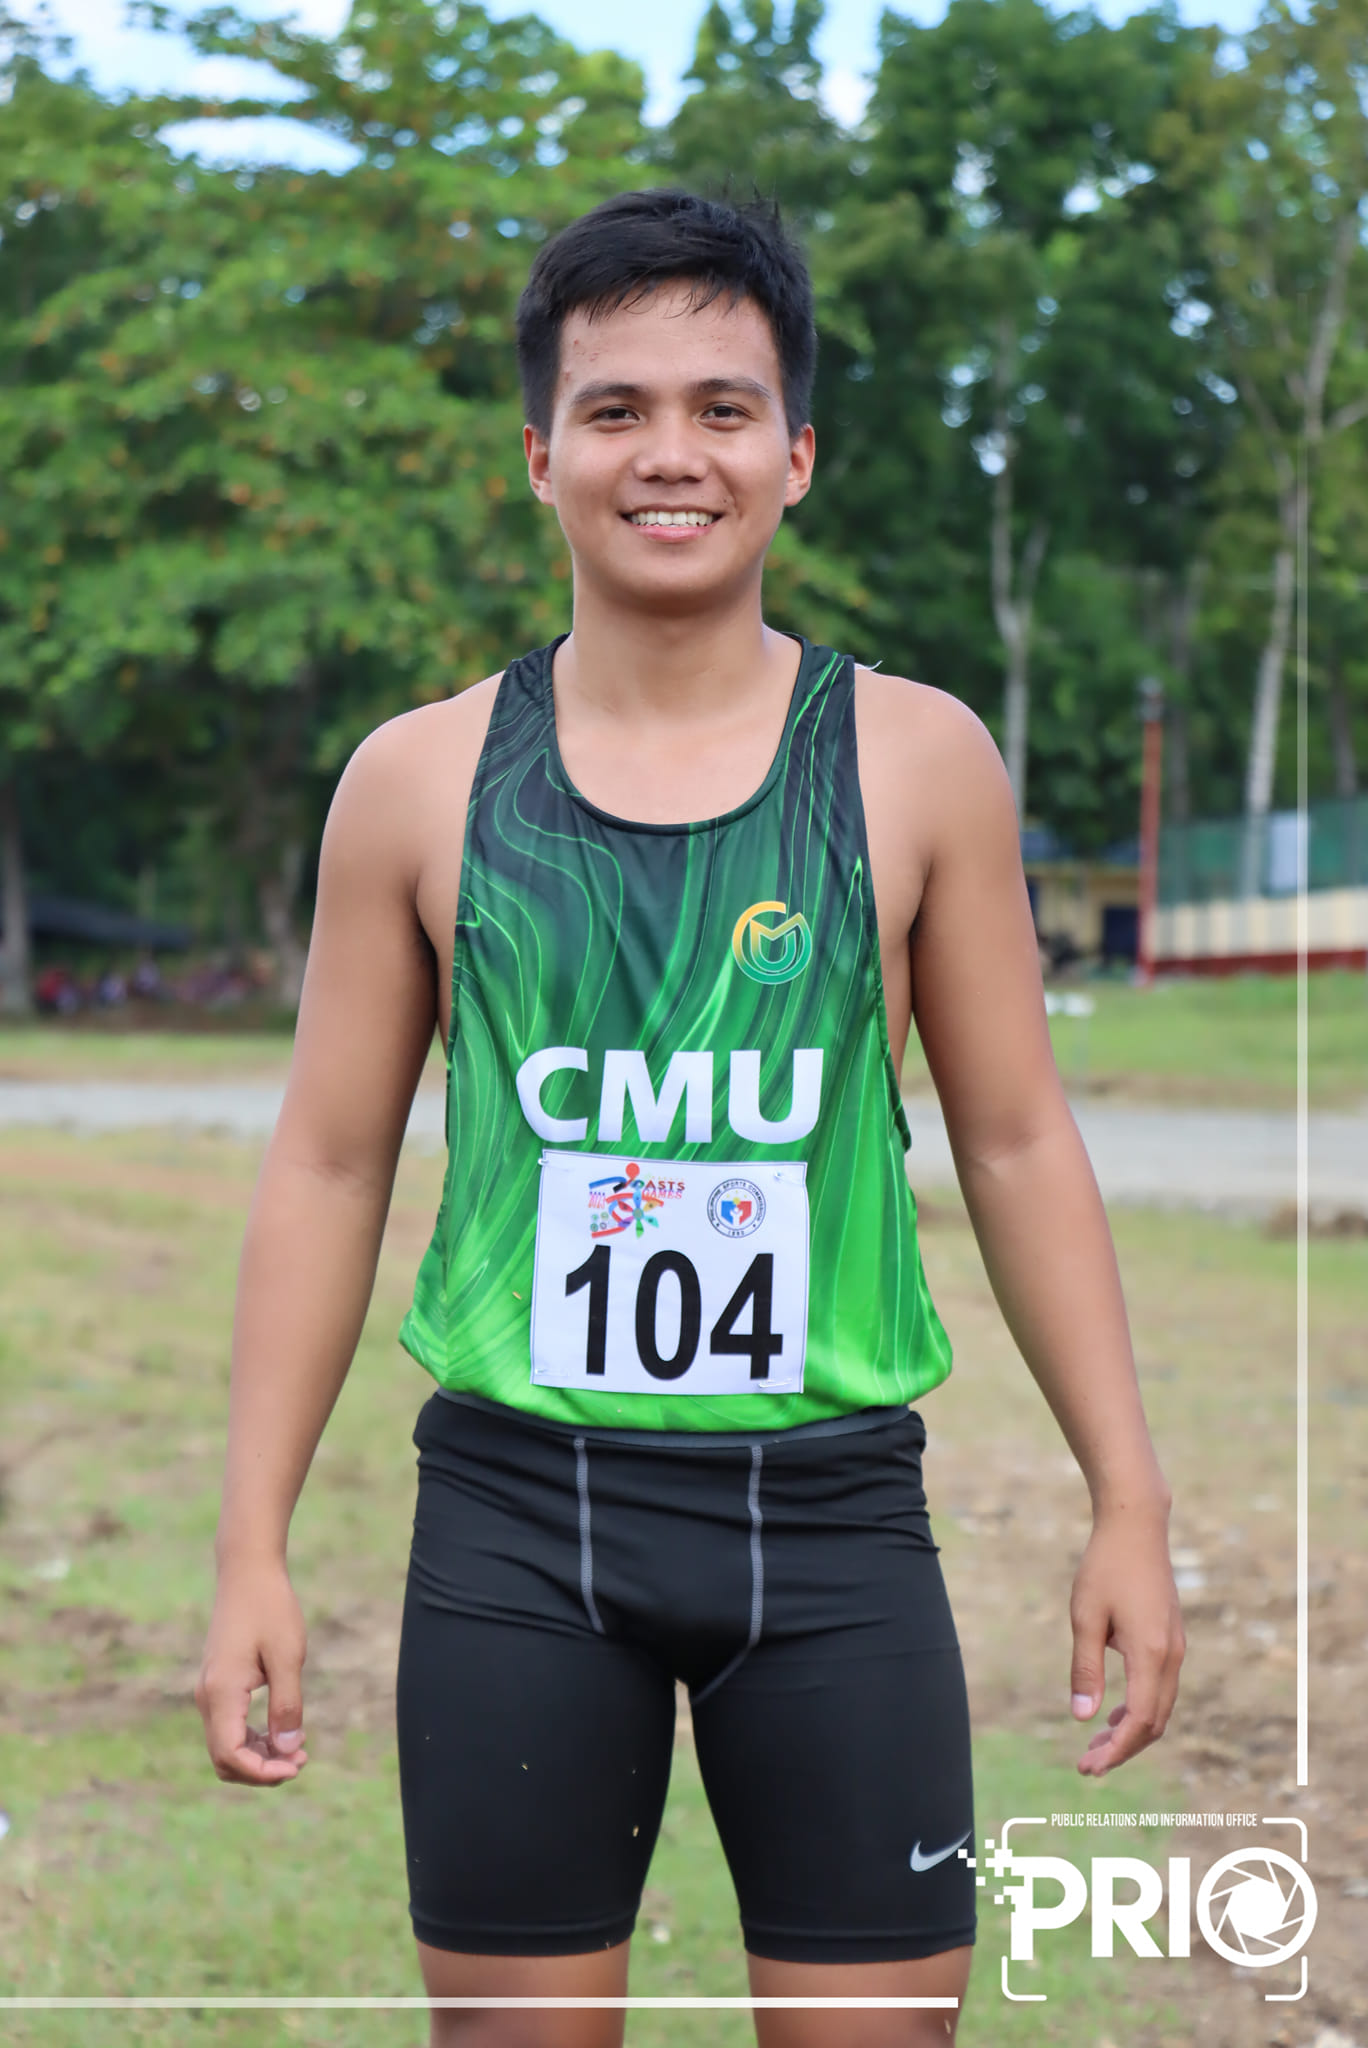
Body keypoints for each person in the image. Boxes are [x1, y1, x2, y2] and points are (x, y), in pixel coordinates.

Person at [196, 188, 1184, 2045]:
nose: (672, 454)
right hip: (514, 1526)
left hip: (832, 1525)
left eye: (724, 409)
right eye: (617, 409)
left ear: (795, 455)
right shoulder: (418, 781)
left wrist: (1126, 1499)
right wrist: (251, 1540)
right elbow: (328, 1164)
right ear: (540, 455)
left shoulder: (915, 762)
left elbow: (1016, 1141)